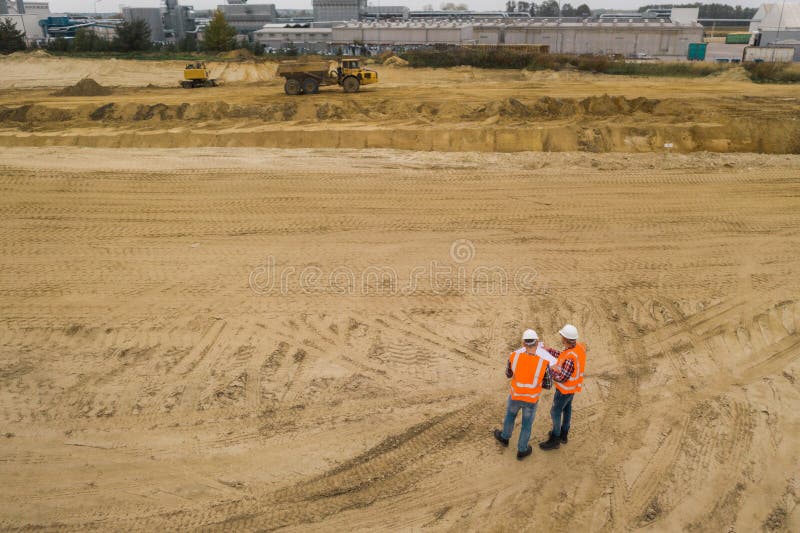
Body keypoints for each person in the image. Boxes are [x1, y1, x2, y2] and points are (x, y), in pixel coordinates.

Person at [494, 329, 552, 460]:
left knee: (510, 416)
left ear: (523, 343)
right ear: (537, 343)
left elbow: (508, 374)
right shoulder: (544, 364)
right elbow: (548, 385)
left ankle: (505, 438)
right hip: (531, 401)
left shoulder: (513, 357)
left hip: (515, 396)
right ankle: (522, 450)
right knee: (526, 424)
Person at [539, 324, 586, 451]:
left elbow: (562, 377)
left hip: (564, 390)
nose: (561, 338)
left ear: (565, 339)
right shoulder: (578, 348)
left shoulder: (570, 358)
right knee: (567, 409)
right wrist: (549, 350)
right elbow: (562, 355)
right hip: (571, 389)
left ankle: (555, 438)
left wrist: (548, 369)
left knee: (555, 411)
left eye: (562, 336)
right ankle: (564, 434)